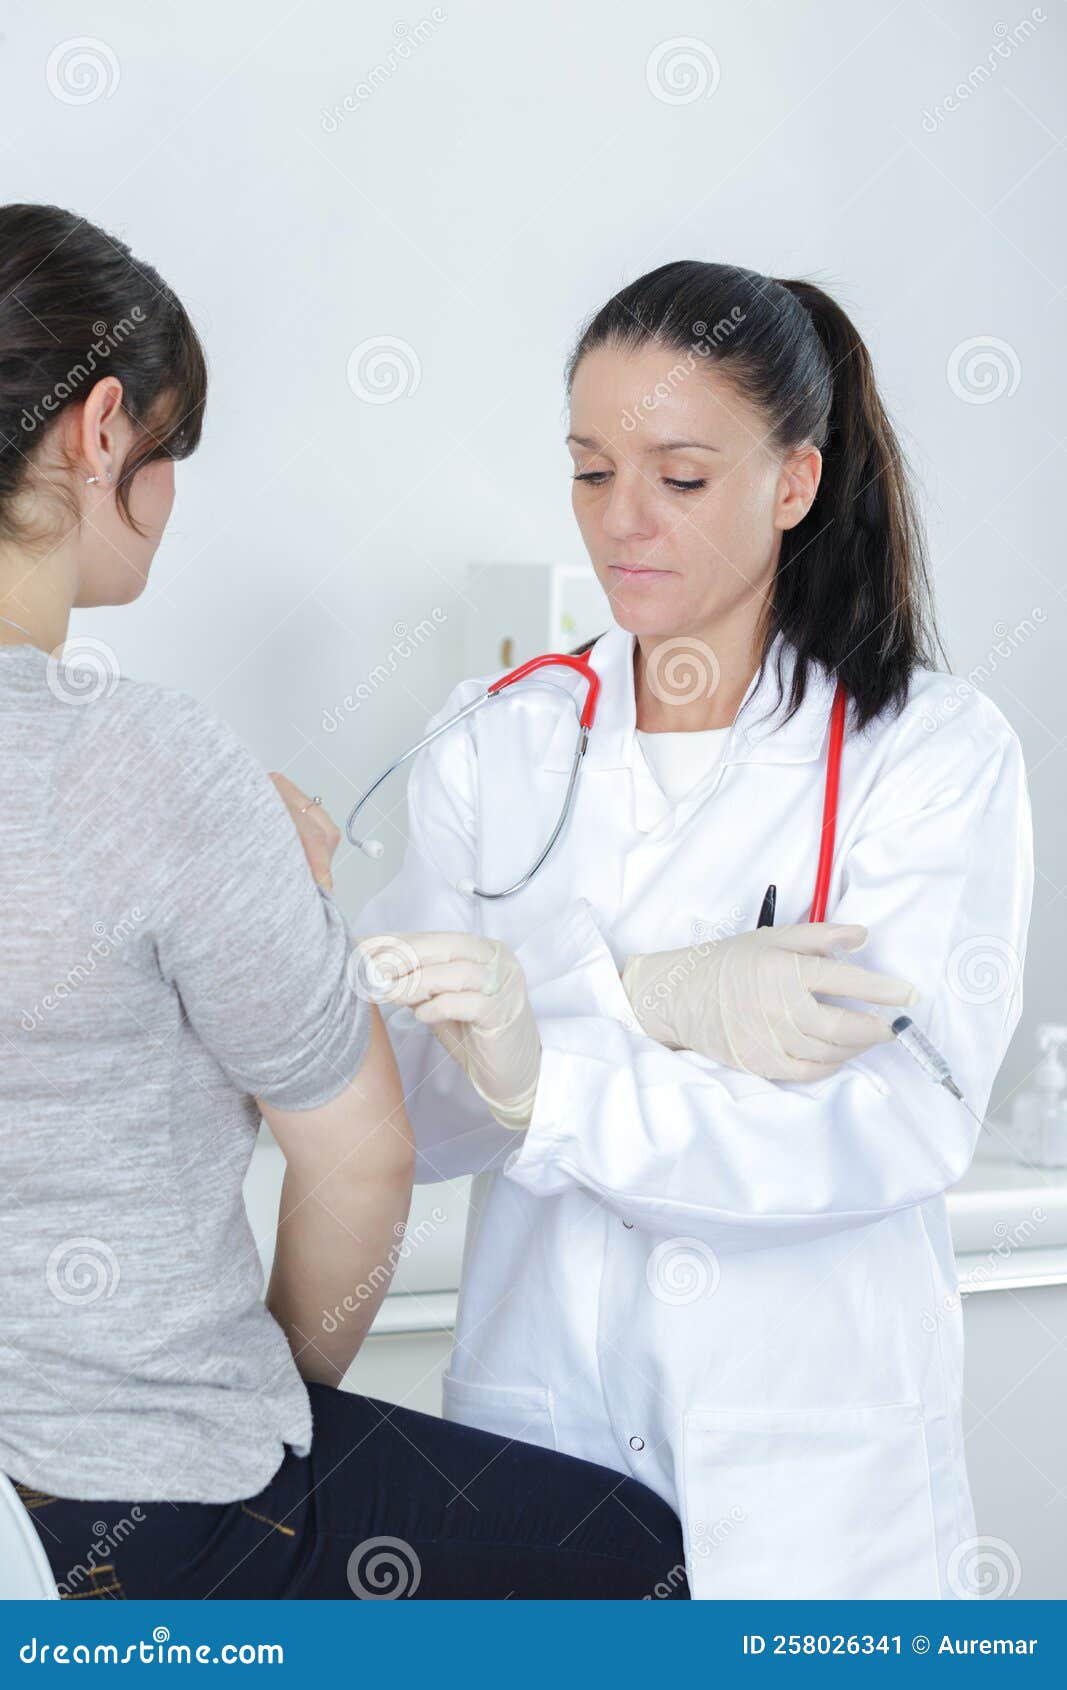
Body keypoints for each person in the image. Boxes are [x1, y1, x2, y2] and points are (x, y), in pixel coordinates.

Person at [0, 204, 688, 1601]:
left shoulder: (171, 779)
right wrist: (265, 1399)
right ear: (102, 428)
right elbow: (360, 1160)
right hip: (140, 1511)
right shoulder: (155, 761)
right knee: (636, 1555)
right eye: (173, 453)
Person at [355, 260, 1035, 1600]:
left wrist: (551, 1063)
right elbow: (402, 1115)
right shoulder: (499, 741)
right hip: (537, 1452)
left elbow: (888, 1122)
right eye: (590, 469)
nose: (625, 521)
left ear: (793, 482)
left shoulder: (929, 754)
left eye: (680, 476)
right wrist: (641, 1002)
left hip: (808, 1488)